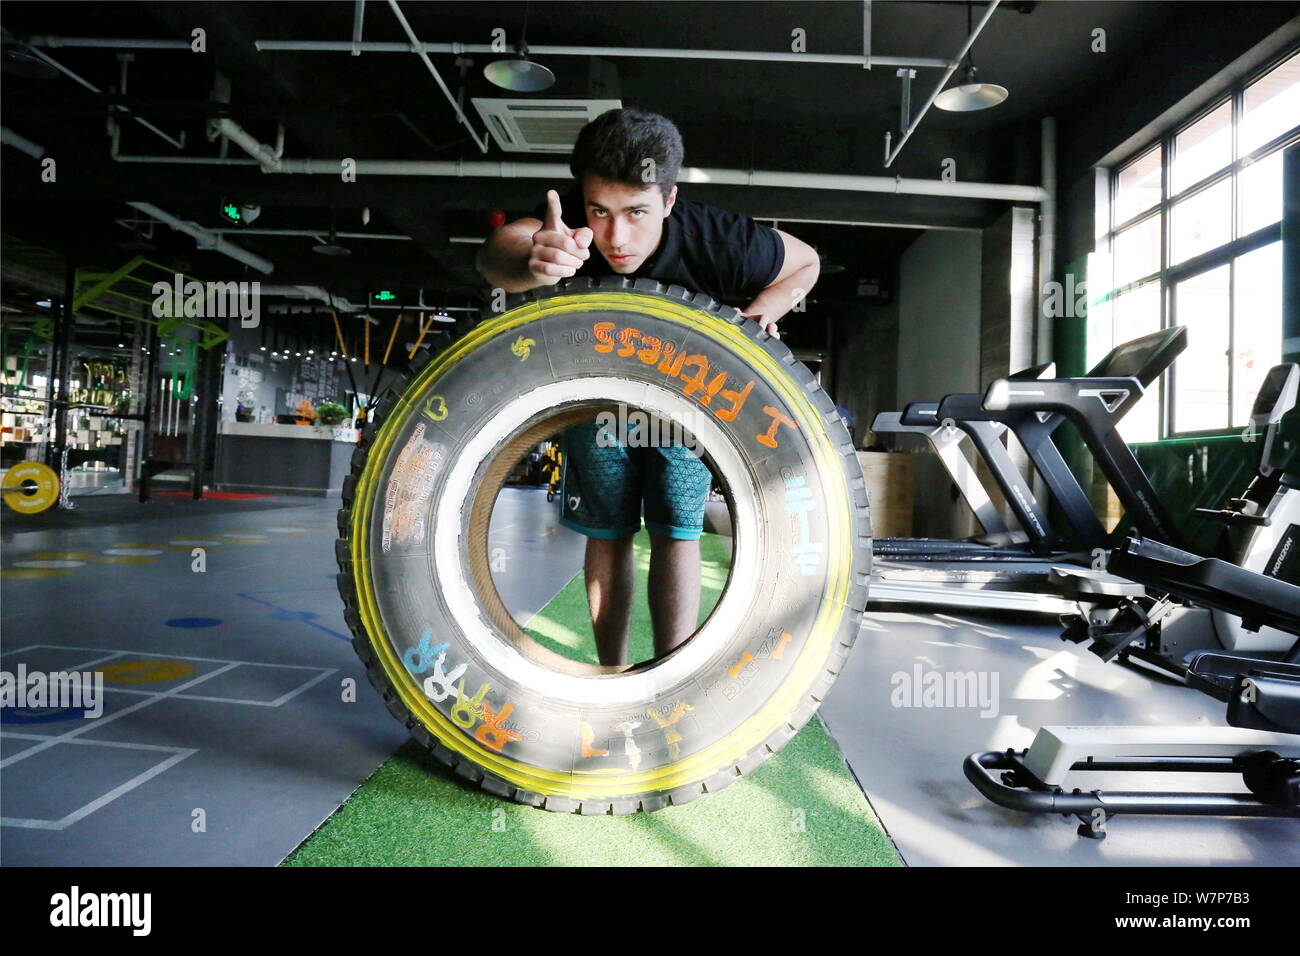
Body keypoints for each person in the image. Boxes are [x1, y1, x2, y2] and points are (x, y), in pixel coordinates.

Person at [477, 108, 819, 666]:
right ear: (582, 198)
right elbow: (499, 255)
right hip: (595, 395)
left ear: (669, 199)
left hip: (685, 401)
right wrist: (535, 261)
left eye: (637, 212)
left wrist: (759, 315)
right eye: (600, 211)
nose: (616, 237)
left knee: (677, 530)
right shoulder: (565, 227)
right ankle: (612, 670)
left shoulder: (720, 239)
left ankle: (667, 673)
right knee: (608, 533)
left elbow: (805, 262)